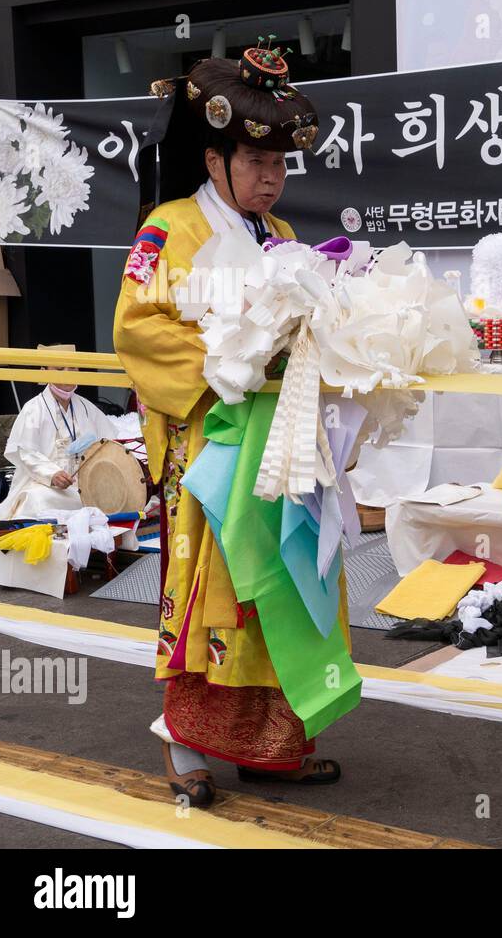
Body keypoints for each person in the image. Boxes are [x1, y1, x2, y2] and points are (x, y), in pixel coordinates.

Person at [113, 43, 350, 808]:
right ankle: (183, 746)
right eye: (255, 160)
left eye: (280, 163)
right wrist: (229, 357)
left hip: (275, 444)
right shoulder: (167, 229)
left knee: (274, 584)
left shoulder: (279, 236)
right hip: (208, 446)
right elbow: (135, 329)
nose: (271, 176)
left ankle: (274, 745)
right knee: (205, 592)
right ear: (214, 159)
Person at [0, 343, 118, 520]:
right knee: (37, 500)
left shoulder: (88, 408)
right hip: (44, 485)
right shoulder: (33, 409)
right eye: (60, 368)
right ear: (45, 371)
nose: (68, 372)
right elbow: (25, 451)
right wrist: (52, 474)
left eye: (73, 367)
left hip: (84, 485)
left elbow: (109, 443)